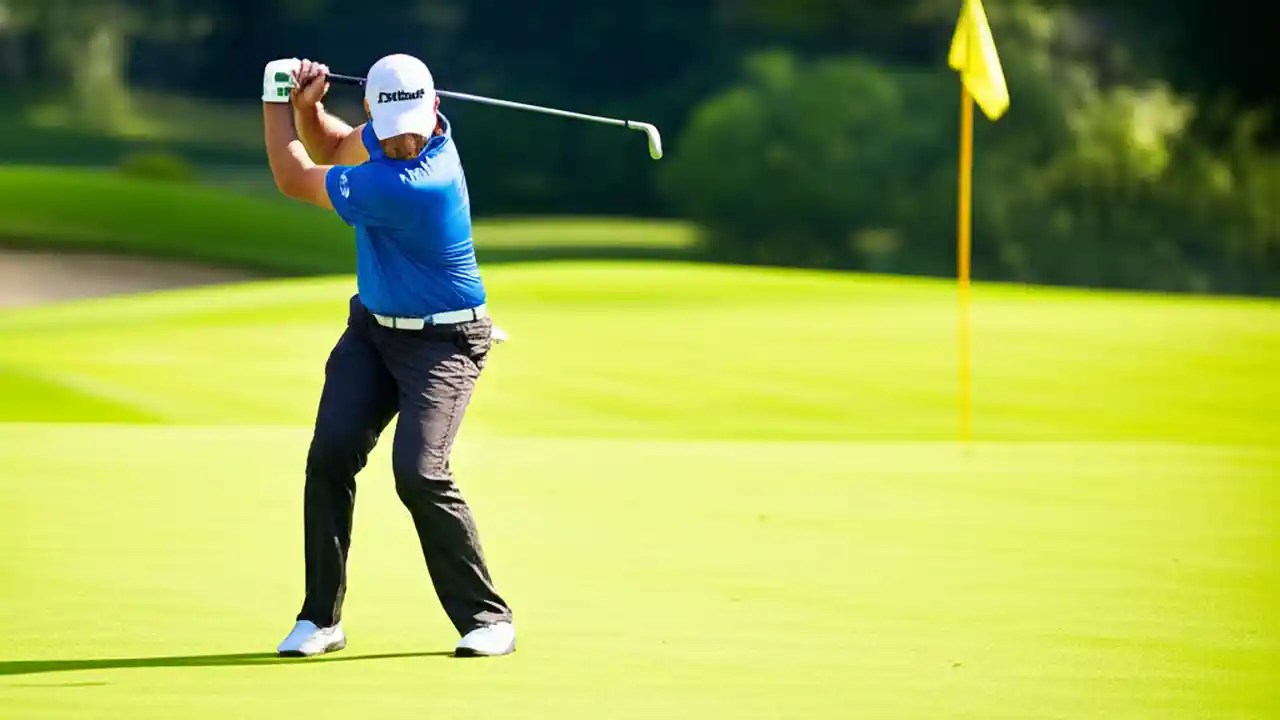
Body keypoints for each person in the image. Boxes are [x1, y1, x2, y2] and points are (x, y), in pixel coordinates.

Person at [260, 54, 515, 658]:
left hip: (444, 343)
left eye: (412, 131)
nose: (401, 143)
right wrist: (309, 109)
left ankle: (488, 617)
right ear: (376, 111)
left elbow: (296, 176)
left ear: (434, 111)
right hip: (373, 334)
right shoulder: (383, 138)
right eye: (390, 128)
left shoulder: (417, 183)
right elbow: (340, 145)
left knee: (420, 473)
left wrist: (274, 99)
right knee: (330, 455)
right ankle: (320, 619)